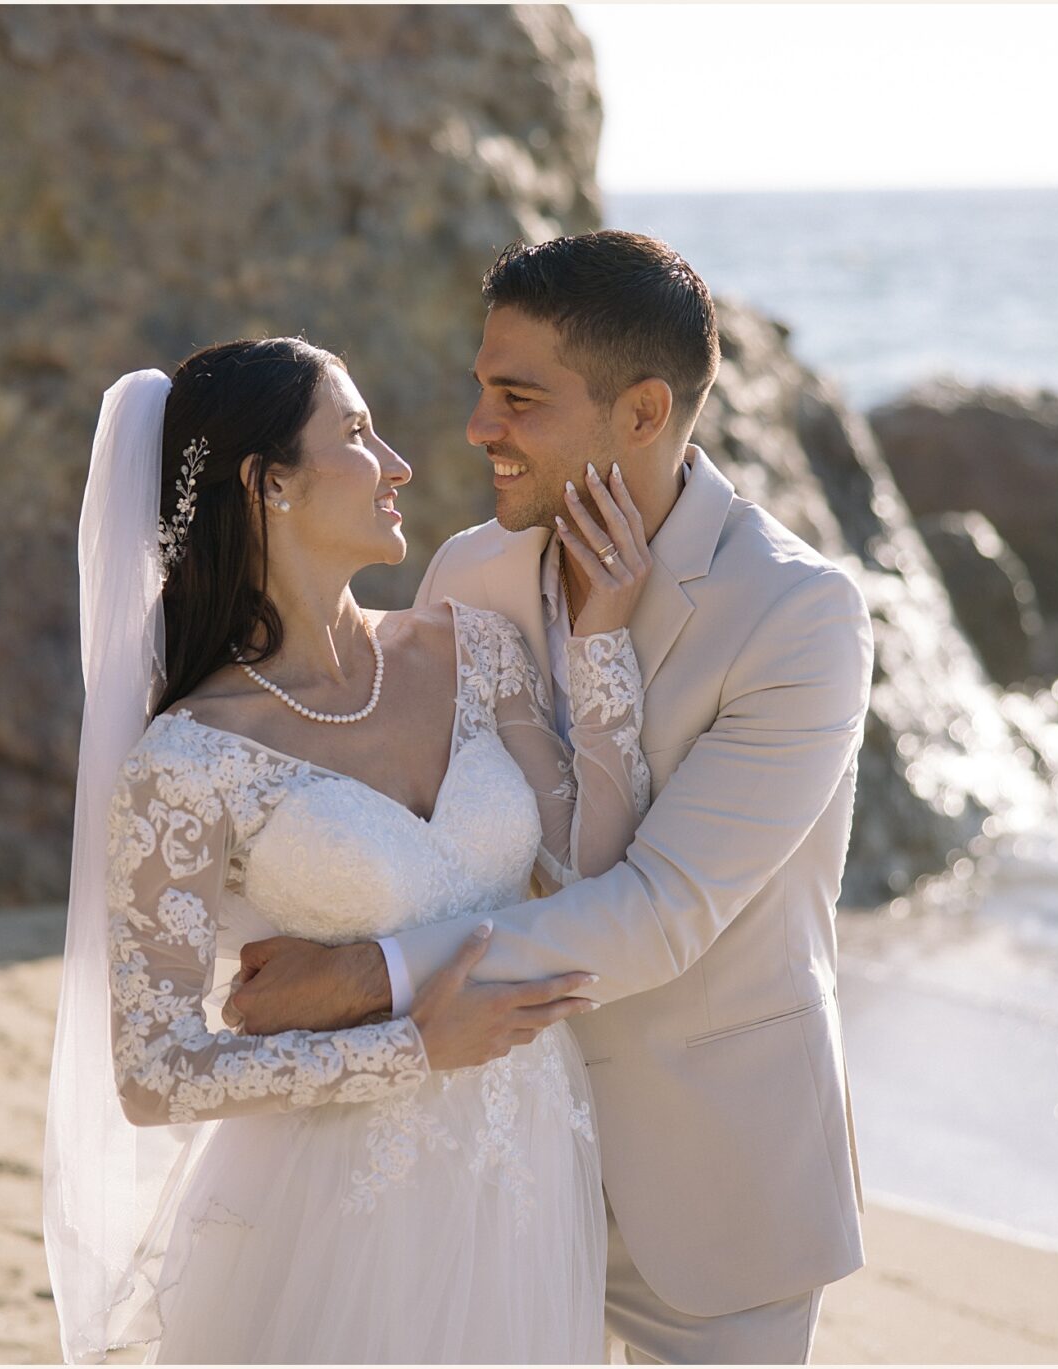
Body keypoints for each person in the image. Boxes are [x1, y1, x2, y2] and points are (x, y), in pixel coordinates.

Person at [227, 231, 875, 1364]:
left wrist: (367, 976)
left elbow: (661, 910)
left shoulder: (798, 617)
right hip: (490, 1153)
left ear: (639, 414)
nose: (479, 429)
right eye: (482, 389)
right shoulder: (468, 576)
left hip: (717, 1185)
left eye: (517, 398)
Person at [43, 334, 659, 1362]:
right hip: (329, 1204)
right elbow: (153, 1073)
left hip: (530, 1160)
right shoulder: (188, 760)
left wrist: (601, 638)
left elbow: (597, 871)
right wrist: (412, 1046)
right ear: (267, 482)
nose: (401, 467)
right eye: (359, 436)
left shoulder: (476, 650)